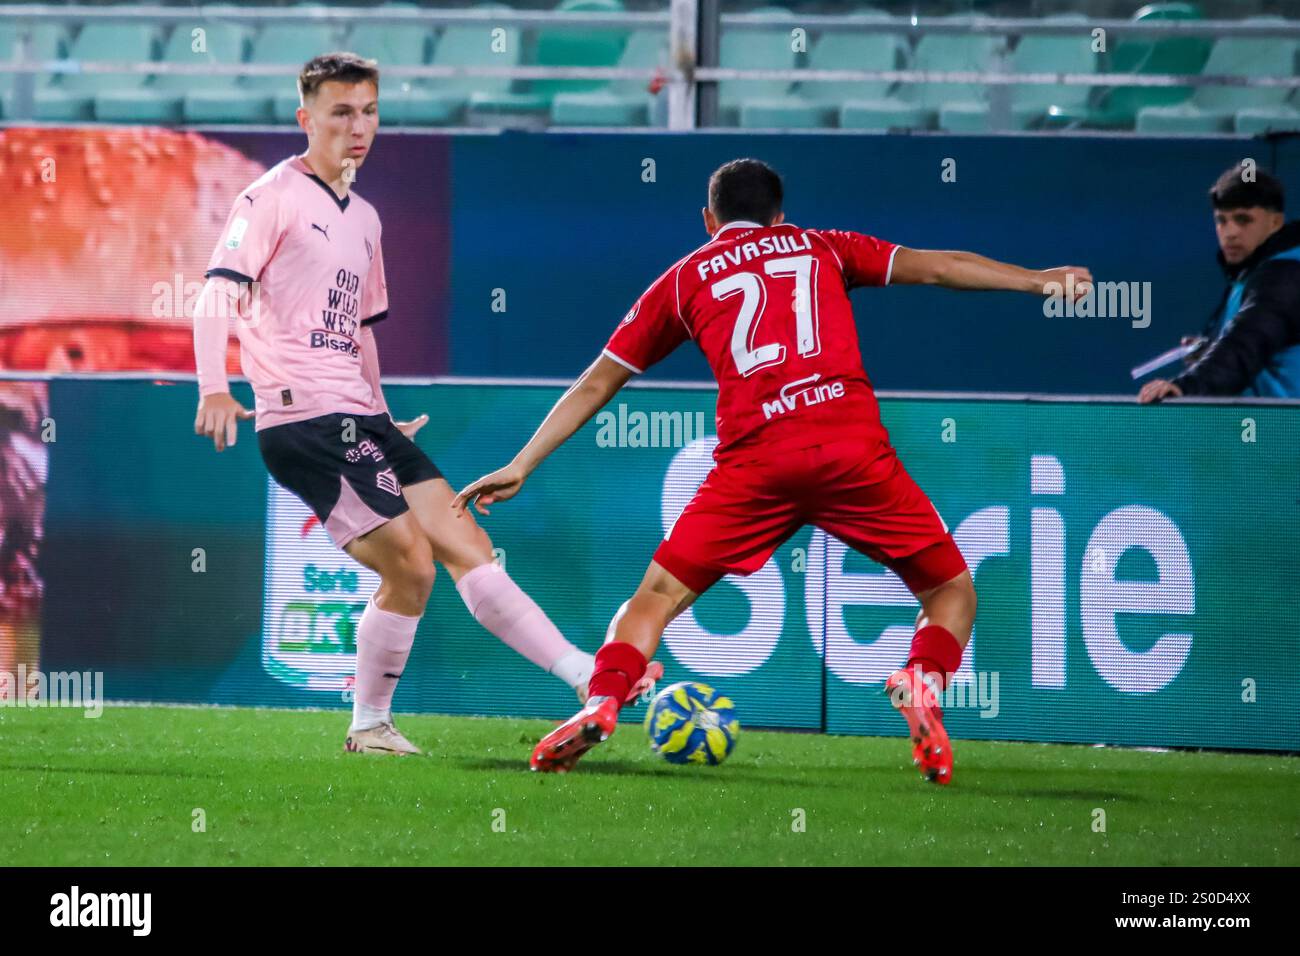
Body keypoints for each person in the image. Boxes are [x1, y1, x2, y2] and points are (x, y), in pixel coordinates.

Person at [454, 158, 1091, 783]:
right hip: (851, 451)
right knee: (950, 591)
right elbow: (941, 266)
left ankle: (603, 700)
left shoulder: (684, 278)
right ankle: (921, 679)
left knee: (655, 598)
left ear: (709, 220)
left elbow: (598, 382)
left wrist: (522, 462)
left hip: (755, 463)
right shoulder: (824, 246)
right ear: (780, 216)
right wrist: (1038, 280)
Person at [192, 53, 643, 756]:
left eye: (370, 111)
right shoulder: (269, 197)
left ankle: (584, 676)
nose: (359, 126)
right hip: (304, 418)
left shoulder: (366, 219)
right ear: (305, 118)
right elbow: (214, 294)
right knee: (410, 564)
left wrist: (381, 409)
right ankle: (368, 725)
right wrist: (213, 388)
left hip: (361, 416)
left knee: (470, 547)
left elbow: (360, 331)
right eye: (342, 112)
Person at [1139, 166, 1300, 403]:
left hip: (1284, 425)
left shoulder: (1285, 276)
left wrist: (1187, 386)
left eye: (1243, 219)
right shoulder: (1253, 273)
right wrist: (1210, 352)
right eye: (1221, 221)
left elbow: (1244, 347)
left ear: (1275, 222)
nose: (1230, 232)